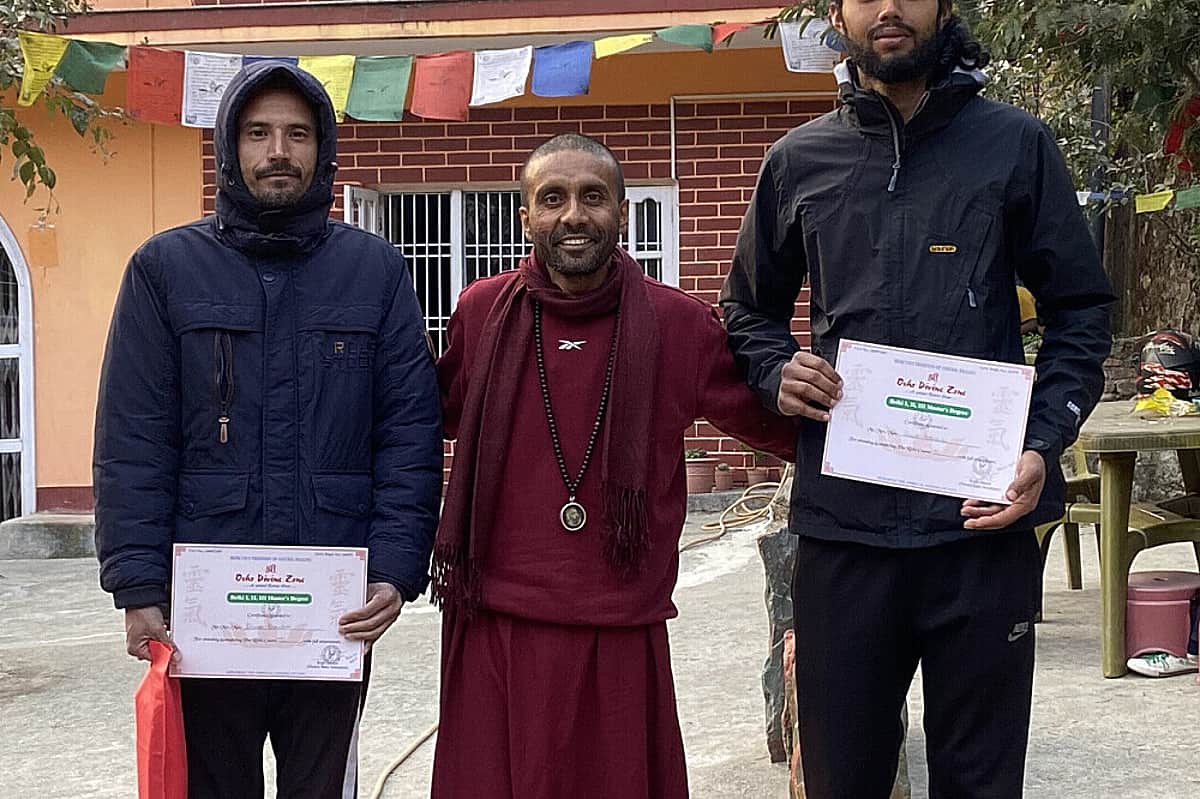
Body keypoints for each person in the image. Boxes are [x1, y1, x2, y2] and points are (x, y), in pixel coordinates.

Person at [720, 2, 1114, 797]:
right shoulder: (800, 160)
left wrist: (1041, 444)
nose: (889, 9)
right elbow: (747, 313)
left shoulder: (1014, 146)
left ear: (945, 9)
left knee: (981, 781)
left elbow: (1081, 311)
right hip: (843, 532)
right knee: (843, 778)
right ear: (839, 15)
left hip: (980, 526)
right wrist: (776, 370)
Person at [93, 62, 443, 798]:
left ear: (323, 150)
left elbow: (408, 433)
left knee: (322, 788)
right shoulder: (164, 270)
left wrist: (396, 569)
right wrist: (136, 585)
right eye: (258, 133)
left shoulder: (374, 272)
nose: (278, 150)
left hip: (333, 607)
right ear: (229, 146)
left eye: (297, 133)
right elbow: (133, 441)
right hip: (203, 608)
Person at [430, 133, 795, 799]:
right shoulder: (482, 312)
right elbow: (429, 414)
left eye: (593, 197)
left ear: (623, 213)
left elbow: (777, 426)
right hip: (497, 624)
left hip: (618, 627)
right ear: (526, 217)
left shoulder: (678, 323)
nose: (573, 215)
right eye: (553, 198)